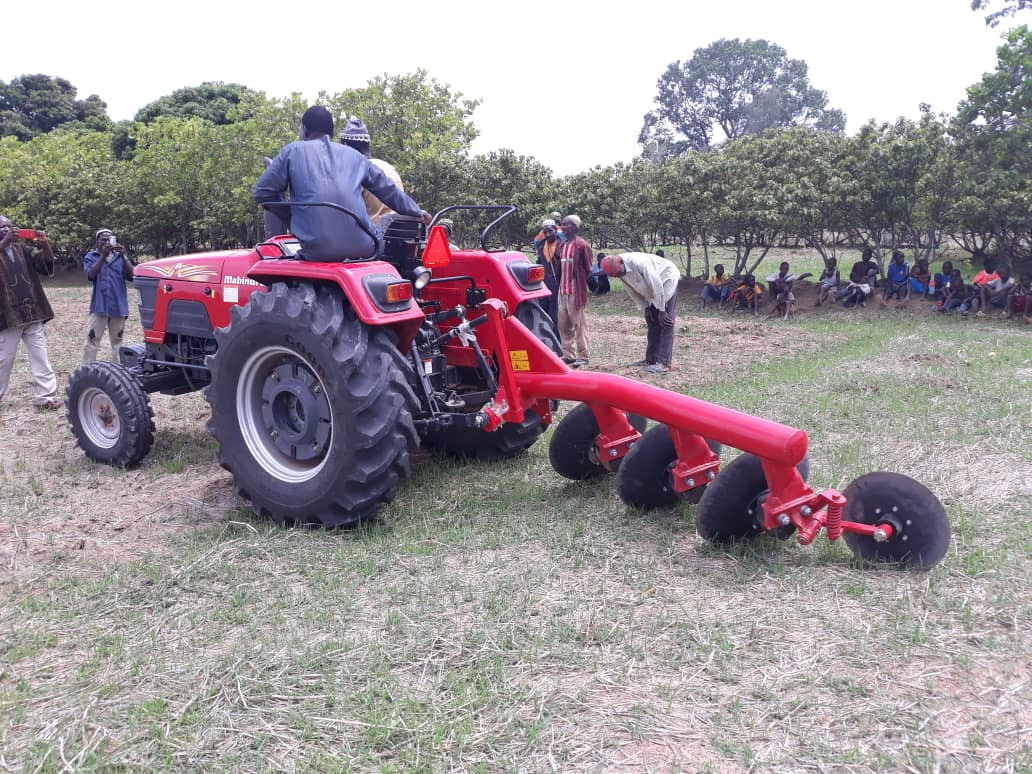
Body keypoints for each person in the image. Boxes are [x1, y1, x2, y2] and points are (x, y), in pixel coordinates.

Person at [254, 105, 430, 261]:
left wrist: (292, 218)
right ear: (331, 133)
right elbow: (387, 190)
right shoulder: (356, 157)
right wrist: (416, 211)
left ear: (305, 130)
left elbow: (262, 193)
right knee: (380, 232)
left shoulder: (291, 151)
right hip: (365, 249)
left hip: (316, 251)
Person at [0, 216, 60, 410]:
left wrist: (45, 244)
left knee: (40, 356)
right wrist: (5, 242)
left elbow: (45, 263)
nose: (7, 229)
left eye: (9, 226)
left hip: (33, 312)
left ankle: (46, 398)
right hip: (8, 317)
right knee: (4, 360)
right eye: (2, 227)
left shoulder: (22, 250)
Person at [601, 252, 680, 373]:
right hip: (651, 289)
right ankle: (651, 359)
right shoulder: (619, 270)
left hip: (666, 280)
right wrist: (646, 307)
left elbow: (657, 285)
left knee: (666, 323)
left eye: (620, 273)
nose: (619, 276)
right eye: (616, 275)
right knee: (652, 321)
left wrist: (662, 310)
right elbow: (631, 289)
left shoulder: (640, 263)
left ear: (622, 263)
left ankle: (664, 363)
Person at [339, 116, 406, 229]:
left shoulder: (357, 171)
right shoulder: (388, 167)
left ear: (345, 147)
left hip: (372, 239)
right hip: (399, 234)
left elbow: (345, 213)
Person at [82, 228, 134, 364]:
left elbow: (133, 276)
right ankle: (87, 370)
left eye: (109, 239)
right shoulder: (91, 256)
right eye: (103, 239)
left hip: (118, 306)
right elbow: (90, 275)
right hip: (99, 306)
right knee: (92, 340)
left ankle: (119, 372)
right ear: (97, 242)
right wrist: (103, 256)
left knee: (117, 342)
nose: (106, 242)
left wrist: (124, 256)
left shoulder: (119, 257)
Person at [556, 215, 593, 367]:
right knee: (563, 325)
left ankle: (583, 356)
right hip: (562, 292)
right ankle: (568, 355)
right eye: (562, 224)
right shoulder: (562, 245)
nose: (563, 227)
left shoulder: (582, 245)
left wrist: (580, 286)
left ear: (575, 227)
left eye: (566, 224)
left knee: (579, 325)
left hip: (575, 292)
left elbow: (588, 269)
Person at [535, 219, 562, 334]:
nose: (548, 235)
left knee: (555, 313)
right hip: (543, 284)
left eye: (550, 231)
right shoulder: (541, 245)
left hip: (558, 284)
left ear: (555, 230)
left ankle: (556, 339)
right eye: (545, 232)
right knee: (542, 311)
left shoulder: (562, 245)